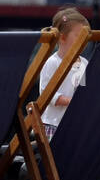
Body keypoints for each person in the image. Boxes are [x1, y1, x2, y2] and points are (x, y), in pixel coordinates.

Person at [38, 7, 90, 139]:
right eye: (79, 36)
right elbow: (46, 94)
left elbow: (83, 88)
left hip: (76, 123)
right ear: (62, 38)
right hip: (54, 124)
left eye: (86, 36)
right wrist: (71, 101)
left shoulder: (83, 63)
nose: (84, 40)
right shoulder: (53, 63)